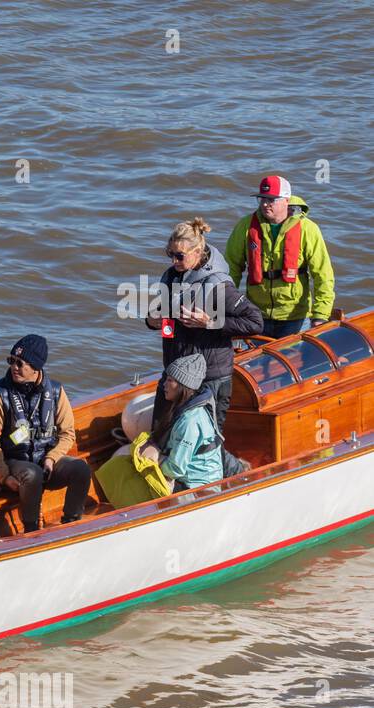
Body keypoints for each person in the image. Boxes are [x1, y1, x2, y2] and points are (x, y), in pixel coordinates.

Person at [146, 218, 261, 476]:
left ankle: (237, 475)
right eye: (170, 254)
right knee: (161, 431)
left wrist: (209, 322)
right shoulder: (172, 278)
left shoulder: (218, 286)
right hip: (176, 370)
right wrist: (154, 321)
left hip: (211, 375)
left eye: (179, 256)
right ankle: (167, 485)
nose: (173, 261)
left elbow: (255, 321)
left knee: (208, 443)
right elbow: (161, 321)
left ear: (197, 253)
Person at [0, 335, 92, 532]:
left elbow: (67, 434)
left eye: (20, 363)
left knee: (82, 469)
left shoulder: (57, 391)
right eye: (11, 361)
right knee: (32, 474)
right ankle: (31, 530)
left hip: (46, 461)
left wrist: (52, 458)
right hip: (15, 462)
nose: (14, 367)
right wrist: (4, 476)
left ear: (36, 368)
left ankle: (71, 522)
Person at [225, 175, 335, 338]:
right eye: (261, 199)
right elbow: (230, 269)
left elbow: (323, 275)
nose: (264, 204)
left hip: (295, 318)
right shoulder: (245, 226)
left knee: (294, 362)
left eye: (271, 199)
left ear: (286, 200)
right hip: (256, 316)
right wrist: (226, 307)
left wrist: (320, 315)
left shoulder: (308, 229)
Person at [139, 354, 224, 491]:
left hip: (198, 487)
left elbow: (175, 469)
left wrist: (157, 458)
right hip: (185, 478)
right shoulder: (183, 409)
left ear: (183, 386)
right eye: (166, 379)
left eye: (170, 380)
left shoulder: (189, 422)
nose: (164, 384)